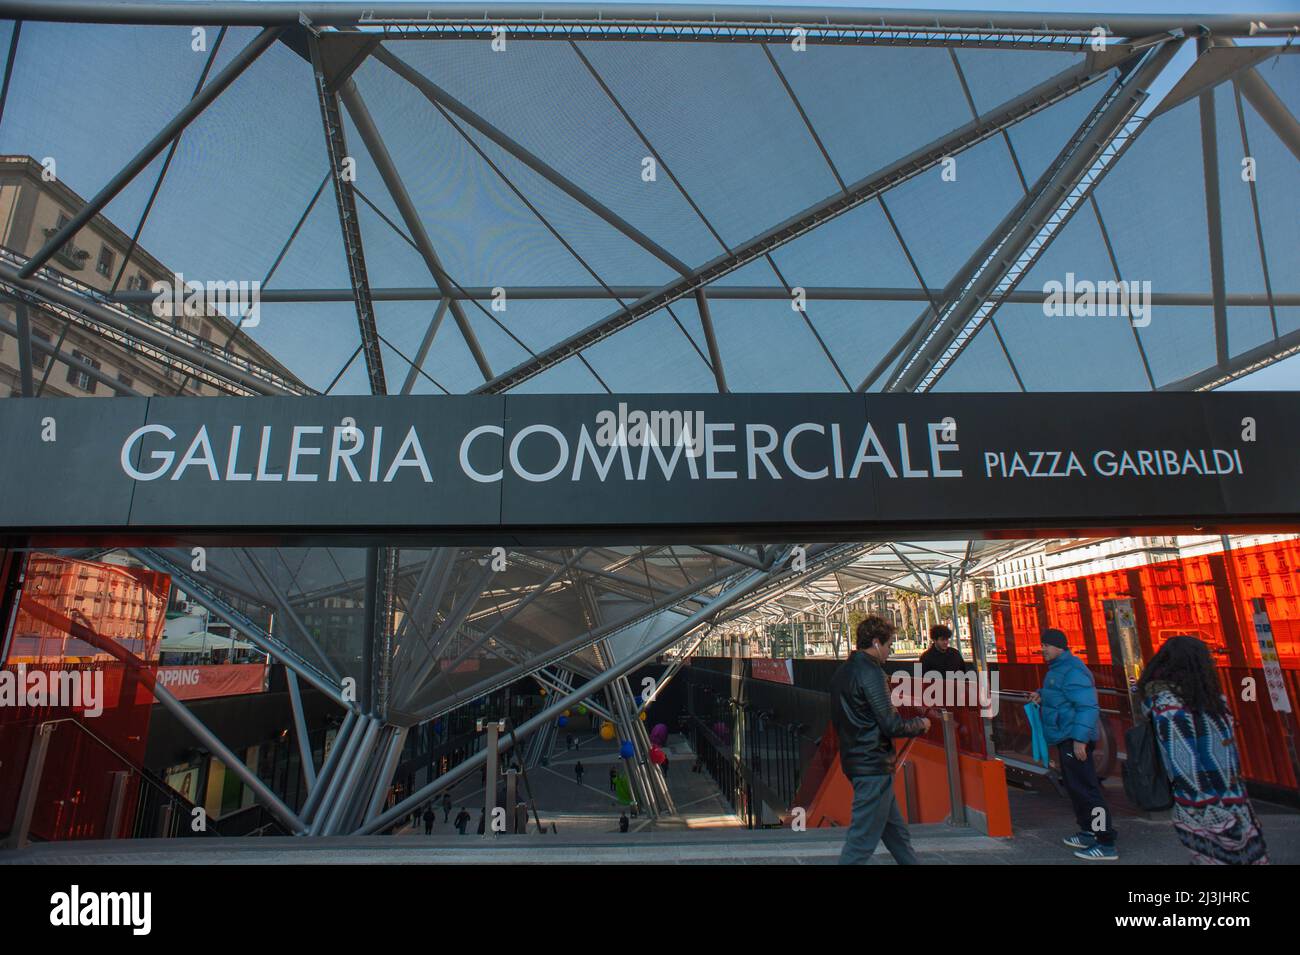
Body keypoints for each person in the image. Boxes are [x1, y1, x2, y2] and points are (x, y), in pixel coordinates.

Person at [1137, 635, 1269, 865]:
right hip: (1231, 796)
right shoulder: (1214, 701)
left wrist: (1200, 805)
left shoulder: (1169, 708)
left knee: (1212, 858)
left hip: (1202, 803)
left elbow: (1183, 761)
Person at [829, 615, 930, 865]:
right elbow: (891, 724)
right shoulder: (872, 673)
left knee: (896, 833)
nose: (889, 650)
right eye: (888, 644)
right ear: (876, 642)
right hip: (872, 764)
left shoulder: (842, 672)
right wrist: (921, 724)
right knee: (861, 842)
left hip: (857, 760)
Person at [1029, 628, 1116, 860]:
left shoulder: (1073, 671)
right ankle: (1088, 831)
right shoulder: (1058, 670)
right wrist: (1041, 694)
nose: (1043, 649)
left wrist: (1080, 739)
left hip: (1073, 738)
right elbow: (1060, 695)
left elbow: (1087, 706)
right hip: (1064, 736)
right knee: (1075, 787)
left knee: (1087, 789)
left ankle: (1105, 840)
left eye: (1046, 645)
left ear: (1060, 647)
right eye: (1042, 644)